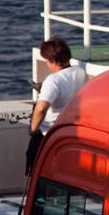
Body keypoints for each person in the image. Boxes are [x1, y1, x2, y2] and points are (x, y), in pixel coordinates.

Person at [26, 37, 88, 174]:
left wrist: (33, 130)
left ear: (53, 61)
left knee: (35, 169)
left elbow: (42, 108)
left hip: (47, 134)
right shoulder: (80, 72)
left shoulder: (53, 80)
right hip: (69, 131)